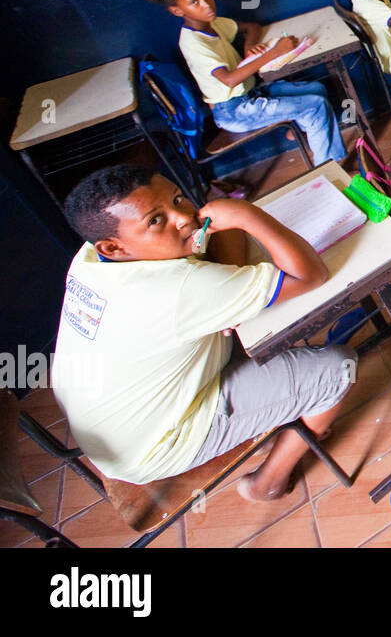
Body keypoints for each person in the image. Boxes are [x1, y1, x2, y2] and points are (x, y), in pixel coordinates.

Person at [51, 165, 352, 500]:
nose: (182, 218)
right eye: (155, 220)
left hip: (116, 422)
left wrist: (224, 286)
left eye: (177, 199)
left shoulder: (91, 257)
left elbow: (219, 233)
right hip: (159, 444)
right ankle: (267, 482)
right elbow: (310, 276)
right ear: (114, 247)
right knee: (339, 368)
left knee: (249, 313)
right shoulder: (177, 289)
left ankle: (286, 407)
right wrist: (248, 215)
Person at [149, 0, 345, 164]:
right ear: (177, 11)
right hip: (233, 110)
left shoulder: (213, 23)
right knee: (315, 106)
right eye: (194, 2)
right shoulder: (193, 43)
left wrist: (249, 45)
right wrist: (274, 52)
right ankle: (329, 167)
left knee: (318, 90)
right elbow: (229, 80)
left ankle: (306, 134)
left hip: (251, 92)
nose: (207, 4)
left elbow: (252, 27)